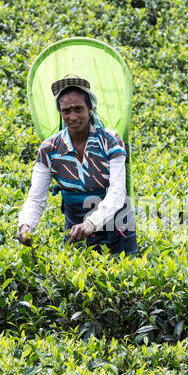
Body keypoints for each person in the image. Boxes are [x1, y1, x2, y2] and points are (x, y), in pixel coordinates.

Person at [16, 75, 138, 255]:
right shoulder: (49, 149)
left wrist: (91, 223)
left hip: (117, 226)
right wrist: (26, 224)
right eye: (66, 111)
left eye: (78, 109)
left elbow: (117, 191)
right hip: (76, 231)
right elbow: (36, 198)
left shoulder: (110, 141)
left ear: (90, 109)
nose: (72, 117)